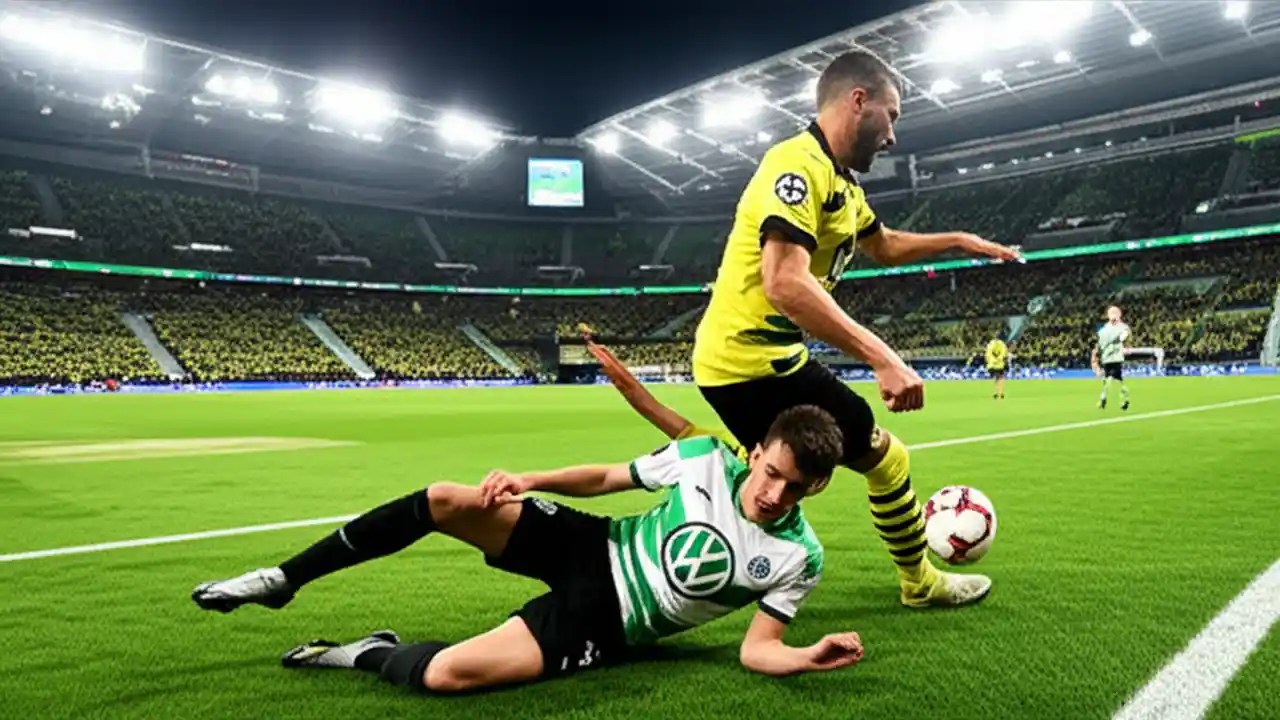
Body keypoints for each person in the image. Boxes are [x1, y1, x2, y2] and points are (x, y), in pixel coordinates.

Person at [191, 406, 865, 693]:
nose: (774, 494)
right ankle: (285, 578)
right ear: (757, 451)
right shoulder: (705, 458)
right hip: (590, 545)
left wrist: (805, 655)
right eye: (771, 473)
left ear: (819, 486)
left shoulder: (799, 557)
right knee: (447, 498)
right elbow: (608, 478)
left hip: (607, 619)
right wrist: (530, 480)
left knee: (445, 676)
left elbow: (757, 649)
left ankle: (363, 651)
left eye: (795, 488)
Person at [690, 49, 1022, 609]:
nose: (892, 135)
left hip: (764, 360)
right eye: (891, 116)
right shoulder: (796, 167)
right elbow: (784, 282)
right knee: (867, 464)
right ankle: (919, 584)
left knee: (774, 484)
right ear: (858, 101)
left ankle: (697, 572)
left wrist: (958, 240)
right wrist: (882, 357)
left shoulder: (842, 184)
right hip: (747, 364)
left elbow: (883, 244)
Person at [1091, 305, 1131, 411]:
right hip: (1110, 358)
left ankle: (1104, 398)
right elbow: (1122, 337)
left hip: (1111, 358)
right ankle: (1124, 398)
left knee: (1110, 378)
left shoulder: (1113, 328)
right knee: (1117, 380)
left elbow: (1123, 336)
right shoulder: (1111, 328)